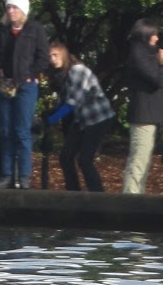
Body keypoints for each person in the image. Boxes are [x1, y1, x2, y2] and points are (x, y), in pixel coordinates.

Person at [0, 0, 50, 189]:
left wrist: (31, 74)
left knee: (22, 130)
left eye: (15, 7)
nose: (11, 11)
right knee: (6, 130)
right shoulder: (3, 31)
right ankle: (7, 174)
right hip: (5, 84)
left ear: (23, 10)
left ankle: (24, 176)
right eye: (8, 7)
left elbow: (43, 57)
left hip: (25, 85)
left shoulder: (35, 30)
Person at [44, 42, 116, 192]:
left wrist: (52, 119)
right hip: (81, 120)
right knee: (66, 157)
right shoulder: (62, 75)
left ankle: (98, 197)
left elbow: (72, 102)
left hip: (98, 118)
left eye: (55, 55)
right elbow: (64, 101)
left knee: (85, 160)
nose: (52, 59)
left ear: (64, 55)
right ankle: (73, 193)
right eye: (50, 56)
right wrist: (51, 113)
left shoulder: (77, 70)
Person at [122, 20, 163, 194]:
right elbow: (158, 80)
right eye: (154, 35)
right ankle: (131, 197)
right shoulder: (139, 54)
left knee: (143, 158)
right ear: (145, 35)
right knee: (139, 158)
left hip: (148, 113)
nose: (157, 38)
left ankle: (136, 195)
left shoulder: (143, 53)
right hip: (143, 114)